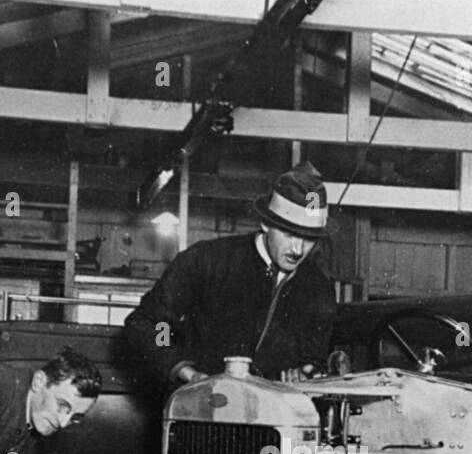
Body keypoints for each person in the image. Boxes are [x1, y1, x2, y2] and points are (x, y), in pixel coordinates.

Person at [123, 161, 337, 386]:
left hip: (272, 413)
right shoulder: (205, 261)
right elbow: (153, 324)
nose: (298, 249)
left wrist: (308, 370)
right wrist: (183, 369)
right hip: (200, 408)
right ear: (265, 223)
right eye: (288, 233)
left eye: (309, 238)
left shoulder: (318, 289)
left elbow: (315, 354)